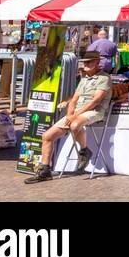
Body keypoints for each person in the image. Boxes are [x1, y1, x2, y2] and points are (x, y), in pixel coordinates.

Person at [26, 52, 111, 183]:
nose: (85, 64)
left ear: (97, 62)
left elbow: (95, 101)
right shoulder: (84, 78)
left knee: (75, 125)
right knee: (47, 136)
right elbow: (74, 99)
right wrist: (70, 114)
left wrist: (74, 116)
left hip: (94, 111)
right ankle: (45, 170)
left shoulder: (104, 78)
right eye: (84, 62)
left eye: (89, 62)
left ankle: (83, 151)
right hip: (77, 113)